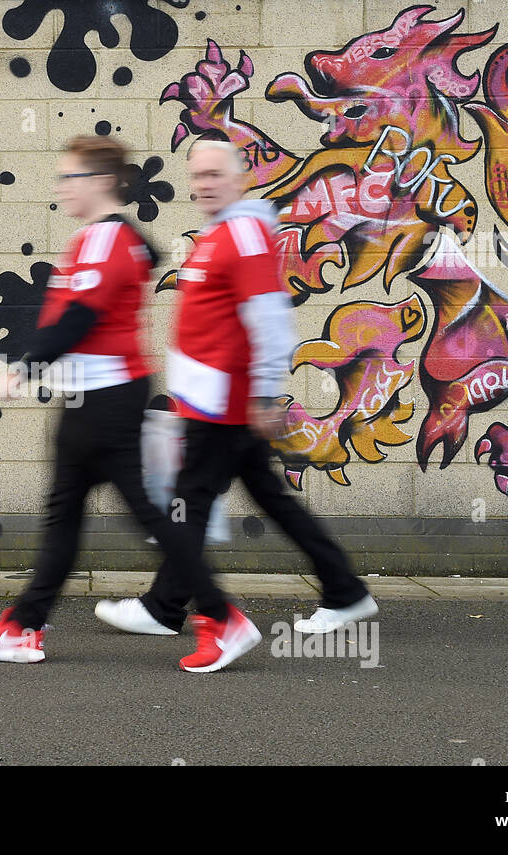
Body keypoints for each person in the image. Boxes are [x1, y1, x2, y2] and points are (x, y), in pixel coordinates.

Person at [0, 135, 262, 672]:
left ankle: (223, 618)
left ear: (100, 182)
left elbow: (81, 315)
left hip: (104, 402)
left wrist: (24, 366)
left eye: (68, 178)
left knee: (142, 512)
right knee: (68, 515)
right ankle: (24, 626)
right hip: (93, 400)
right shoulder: (104, 239)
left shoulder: (103, 239)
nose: (60, 189)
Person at [94, 139, 379, 639]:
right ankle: (344, 591)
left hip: (228, 405)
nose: (203, 183)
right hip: (215, 402)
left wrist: (265, 394)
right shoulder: (220, 232)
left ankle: (166, 607)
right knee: (253, 498)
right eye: (197, 175)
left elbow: (269, 319)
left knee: (191, 500)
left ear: (239, 178)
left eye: (214, 174)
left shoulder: (243, 233)